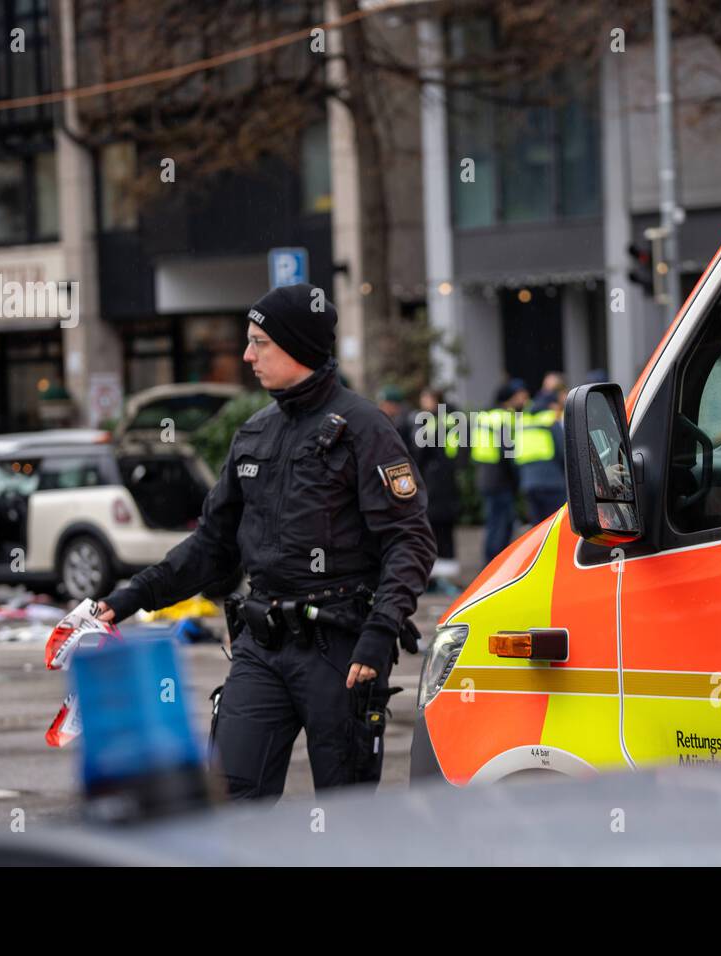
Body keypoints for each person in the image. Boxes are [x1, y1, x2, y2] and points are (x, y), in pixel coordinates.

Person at [95, 283, 436, 800]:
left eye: (260, 343)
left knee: (346, 815)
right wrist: (128, 599)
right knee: (232, 798)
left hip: (341, 648)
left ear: (296, 346)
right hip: (262, 644)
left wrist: (380, 630)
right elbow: (211, 546)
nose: (247, 356)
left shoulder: (366, 429)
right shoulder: (255, 433)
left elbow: (409, 540)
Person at [412, 388, 462, 596]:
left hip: (434, 484)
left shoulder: (430, 421)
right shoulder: (452, 418)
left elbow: (419, 453)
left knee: (433, 530)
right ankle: (443, 576)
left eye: (425, 398)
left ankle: (435, 578)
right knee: (443, 531)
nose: (422, 401)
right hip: (446, 482)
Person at [472, 379, 528, 564]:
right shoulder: (505, 417)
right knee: (502, 525)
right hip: (501, 479)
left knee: (493, 522)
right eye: (520, 395)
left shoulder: (485, 415)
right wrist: (517, 479)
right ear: (510, 398)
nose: (524, 399)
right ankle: (496, 564)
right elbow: (508, 452)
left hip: (485, 476)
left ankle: (489, 562)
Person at [516, 387, 567, 525]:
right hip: (552, 484)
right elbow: (563, 452)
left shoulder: (523, 422)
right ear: (551, 405)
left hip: (529, 485)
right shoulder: (550, 420)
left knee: (538, 528)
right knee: (557, 526)